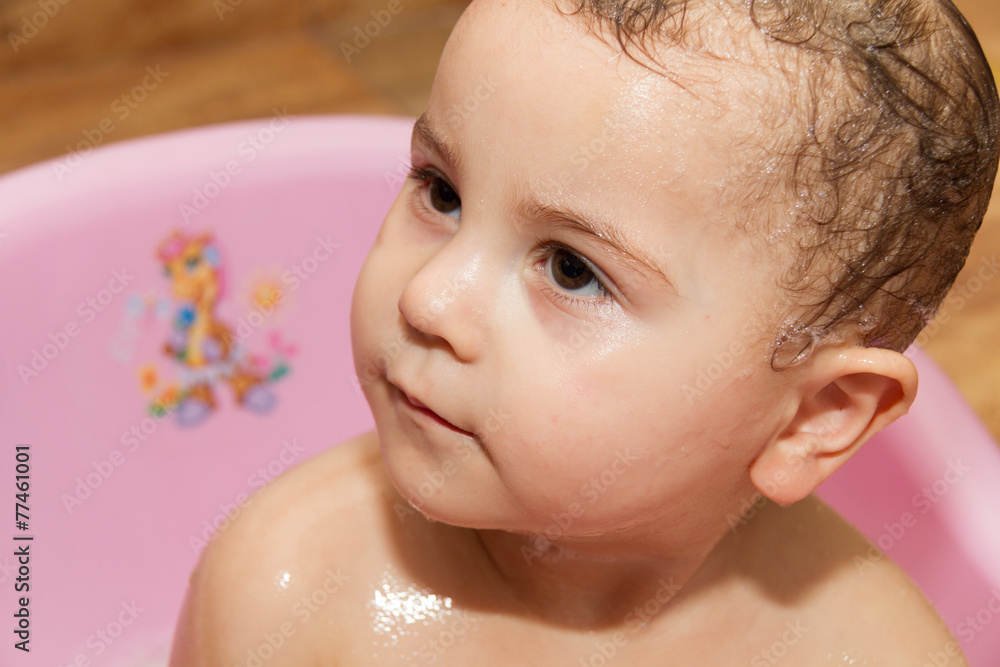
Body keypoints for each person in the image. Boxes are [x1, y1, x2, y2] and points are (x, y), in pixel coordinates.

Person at [169, 0, 999, 663]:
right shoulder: (284, 593)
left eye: (571, 269)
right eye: (441, 191)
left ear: (814, 416)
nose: (429, 297)